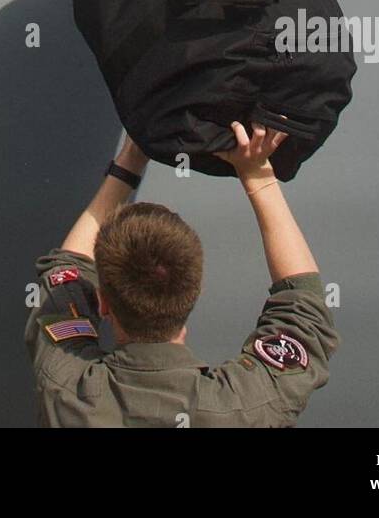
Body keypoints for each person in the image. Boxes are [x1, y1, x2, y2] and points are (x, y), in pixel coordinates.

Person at [25, 122, 339, 427]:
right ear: (195, 292)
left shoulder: (66, 390)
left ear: (102, 303)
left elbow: (64, 273)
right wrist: (258, 177)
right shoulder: (247, 406)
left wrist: (129, 162)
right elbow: (304, 306)